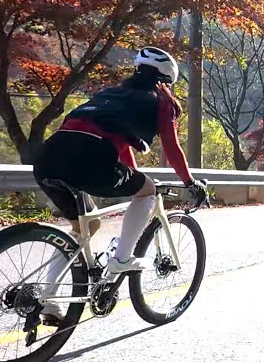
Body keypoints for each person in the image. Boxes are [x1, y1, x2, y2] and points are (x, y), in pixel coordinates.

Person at [32, 47, 205, 321]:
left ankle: (48, 301)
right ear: (167, 80)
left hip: (47, 158)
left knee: (84, 228)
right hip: (91, 158)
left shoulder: (109, 94)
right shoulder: (160, 100)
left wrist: (134, 178)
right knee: (148, 191)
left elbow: (118, 143)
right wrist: (190, 182)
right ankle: (122, 259)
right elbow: (171, 149)